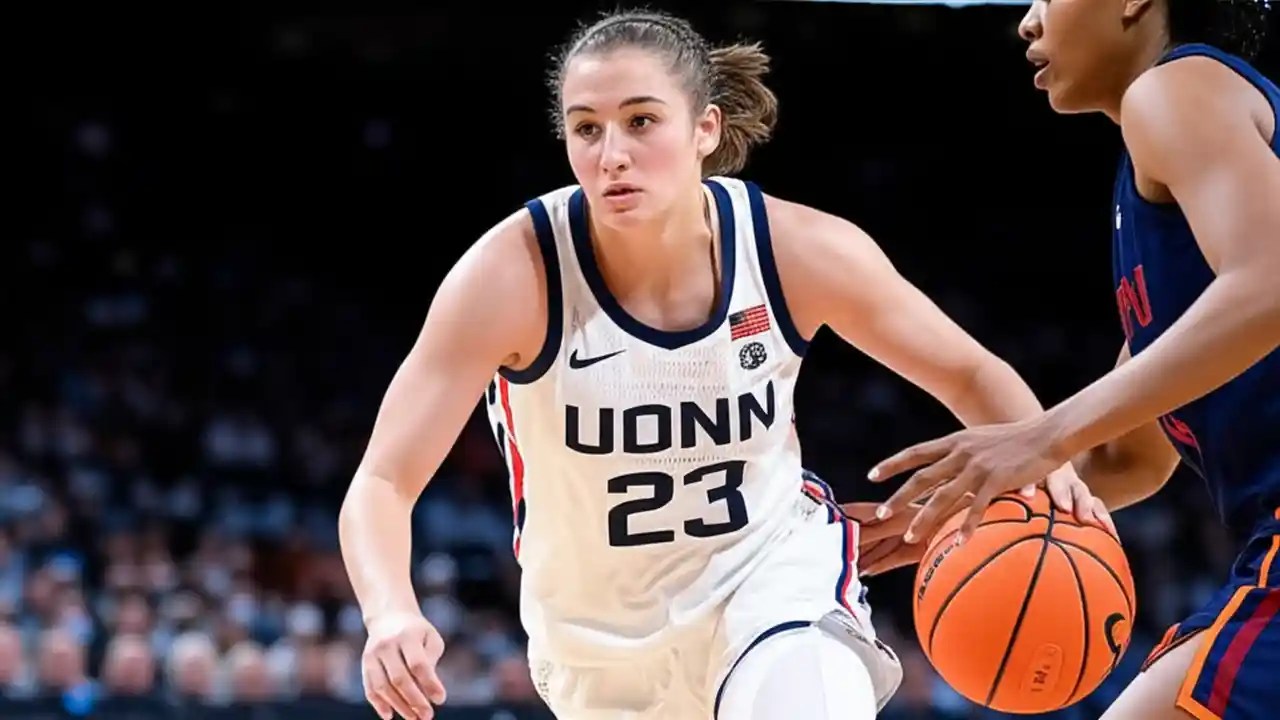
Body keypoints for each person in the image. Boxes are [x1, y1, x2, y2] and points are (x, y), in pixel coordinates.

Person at [336, 8, 1108, 720]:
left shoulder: (796, 249)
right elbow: (382, 481)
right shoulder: (511, 276)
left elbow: (971, 373)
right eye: (586, 129)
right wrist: (390, 611)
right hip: (597, 650)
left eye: (641, 121)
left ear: (706, 127)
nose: (612, 155)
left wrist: (1046, 458)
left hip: (772, 580)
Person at [856, 0, 1280, 718]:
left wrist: (1041, 433)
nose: (1027, 20)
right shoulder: (1174, 177)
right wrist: (962, 512)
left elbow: (1272, 282)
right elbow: (1128, 457)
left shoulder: (1177, 88)